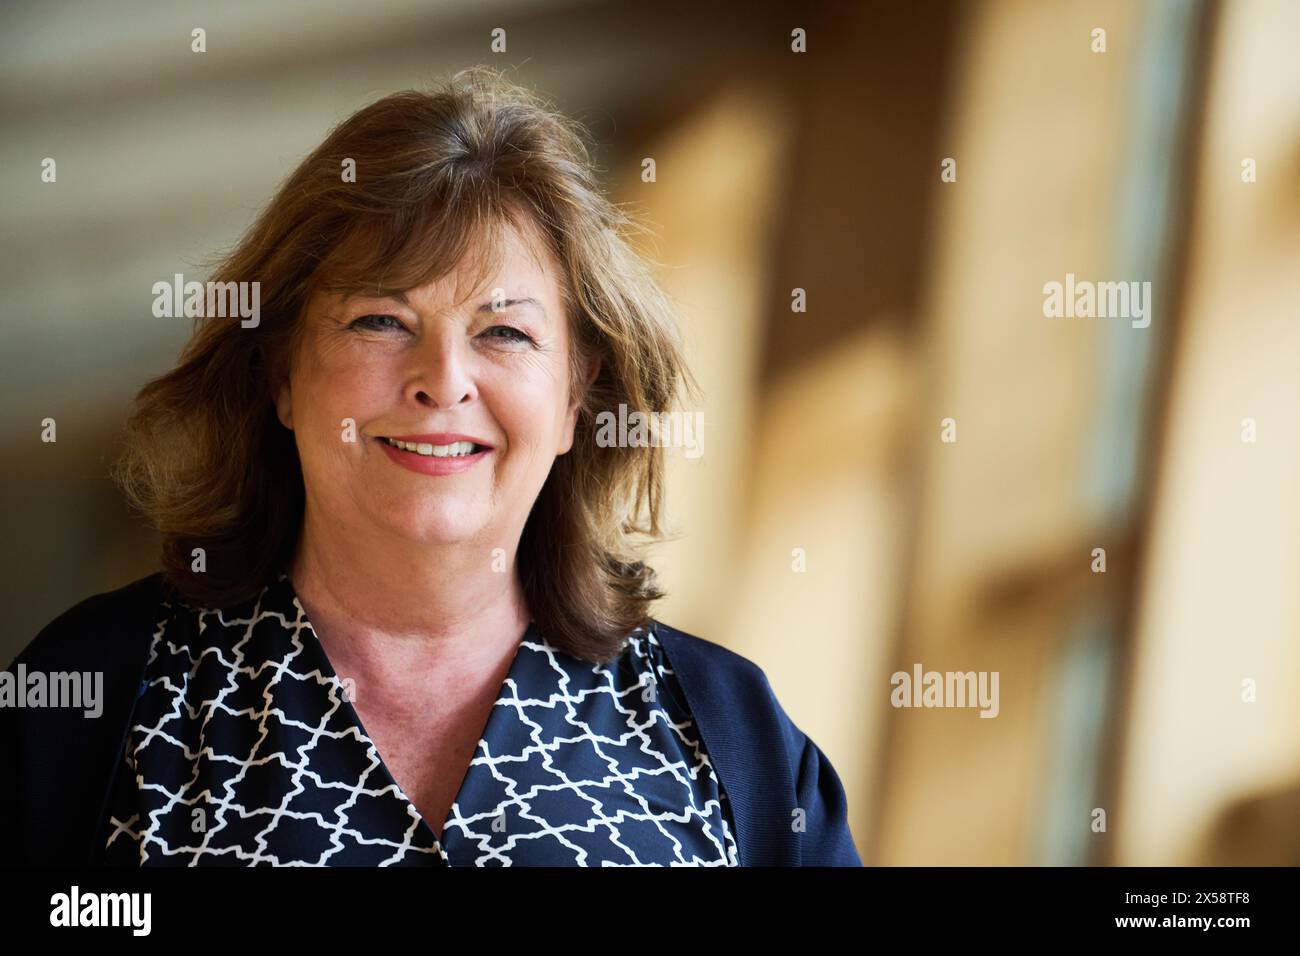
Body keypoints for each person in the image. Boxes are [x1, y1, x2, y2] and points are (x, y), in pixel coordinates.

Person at [0, 66, 861, 867]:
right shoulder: (100, 693)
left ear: (574, 399)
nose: (443, 382)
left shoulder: (729, 733)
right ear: (282, 374)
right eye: (380, 321)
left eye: (504, 332)